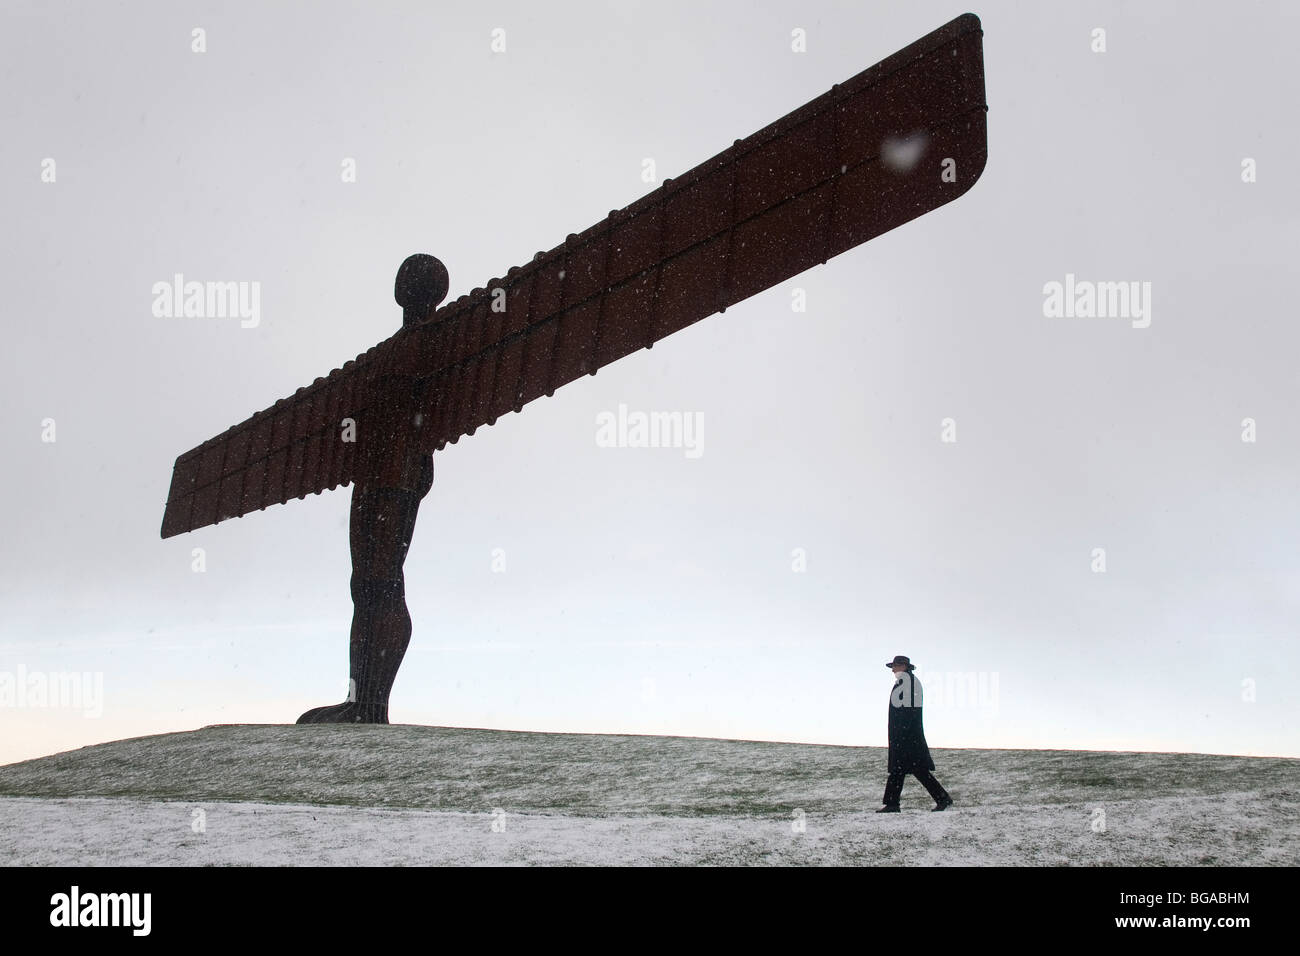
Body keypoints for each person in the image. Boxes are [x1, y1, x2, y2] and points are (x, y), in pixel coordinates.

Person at [297, 255, 448, 724]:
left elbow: (435, 404)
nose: (405, 282)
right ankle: (358, 697)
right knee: (364, 583)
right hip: (372, 471)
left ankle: (371, 703)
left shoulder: (445, 338)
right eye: (404, 275)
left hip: (399, 471)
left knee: (383, 580)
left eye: (416, 276)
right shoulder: (385, 353)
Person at [875, 655, 953, 812]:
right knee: (902, 770)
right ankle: (892, 803)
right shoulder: (906, 682)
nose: (893, 670)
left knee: (914, 770)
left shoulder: (908, 682)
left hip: (907, 736)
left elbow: (909, 711)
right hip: (904, 736)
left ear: (903, 666)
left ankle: (942, 799)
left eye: (895, 666)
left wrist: (904, 732)